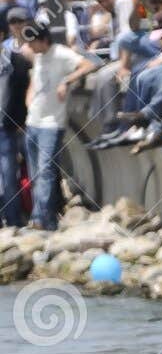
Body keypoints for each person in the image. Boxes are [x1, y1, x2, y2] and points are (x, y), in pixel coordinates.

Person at [21, 22, 96, 230]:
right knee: (37, 175)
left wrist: (66, 81)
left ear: (44, 40)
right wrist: (29, 99)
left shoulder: (61, 53)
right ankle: (48, 221)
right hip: (33, 122)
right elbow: (34, 81)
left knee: (45, 172)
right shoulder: (38, 57)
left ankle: (40, 220)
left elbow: (89, 65)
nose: (29, 46)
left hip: (52, 125)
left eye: (32, 42)